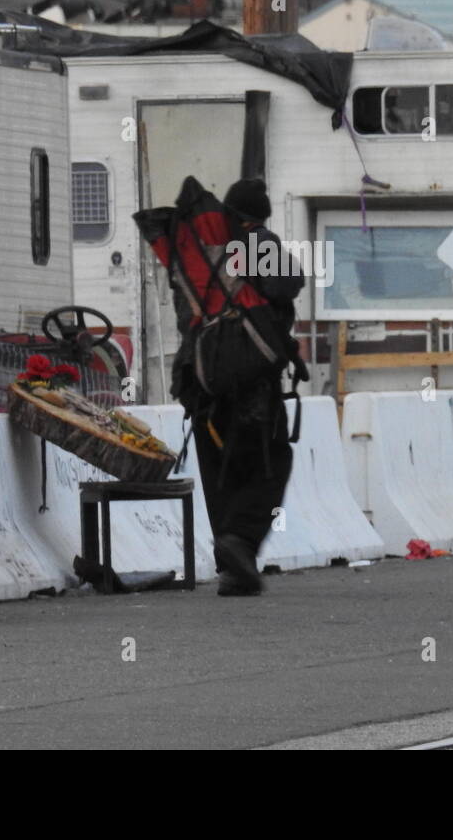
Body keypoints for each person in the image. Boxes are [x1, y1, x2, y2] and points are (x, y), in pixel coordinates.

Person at [174, 178, 304, 596]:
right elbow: (289, 283)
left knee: (219, 472)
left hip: (200, 382)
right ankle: (241, 543)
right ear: (259, 216)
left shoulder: (197, 253)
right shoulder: (254, 243)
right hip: (251, 387)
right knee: (269, 464)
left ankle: (231, 568)